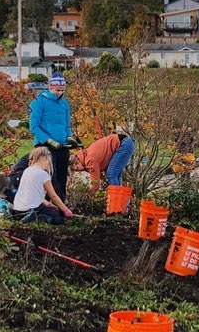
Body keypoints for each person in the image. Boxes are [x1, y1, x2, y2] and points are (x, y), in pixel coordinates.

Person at [29, 73, 75, 201]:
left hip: (62, 145)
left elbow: (66, 125)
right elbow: (34, 126)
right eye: (57, 90)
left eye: (62, 90)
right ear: (50, 88)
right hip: (45, 146)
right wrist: (48, 140)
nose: (60, 93)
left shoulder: (65, 104)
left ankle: (62, 207)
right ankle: (48, 205)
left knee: (61, 179)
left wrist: (70, 137)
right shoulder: (38, 102)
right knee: (50, 178)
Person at [10, 147, 74, 224]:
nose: (48, 164)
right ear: (44, 158)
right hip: (33, 208)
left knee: (49, 209)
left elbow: (32, 192)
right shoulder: (43, 175)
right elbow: (53, 196)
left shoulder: (27, 171)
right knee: (57, 218)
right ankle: (39, 219)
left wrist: (47, 203)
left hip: (18, 208)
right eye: (48, 161)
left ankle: (21, 216)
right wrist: (66, 210)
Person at [70, 132, 136, 189]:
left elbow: (95, 184)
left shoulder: (89, 161)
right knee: (115, 177)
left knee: (111, 174)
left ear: (78, 160)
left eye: (76, 167)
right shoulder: (85, 156)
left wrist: (86, 196)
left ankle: (116, 202)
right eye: (76, 170)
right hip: (125, 143)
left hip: (123, 144)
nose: (78, 169)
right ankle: (122, 202)